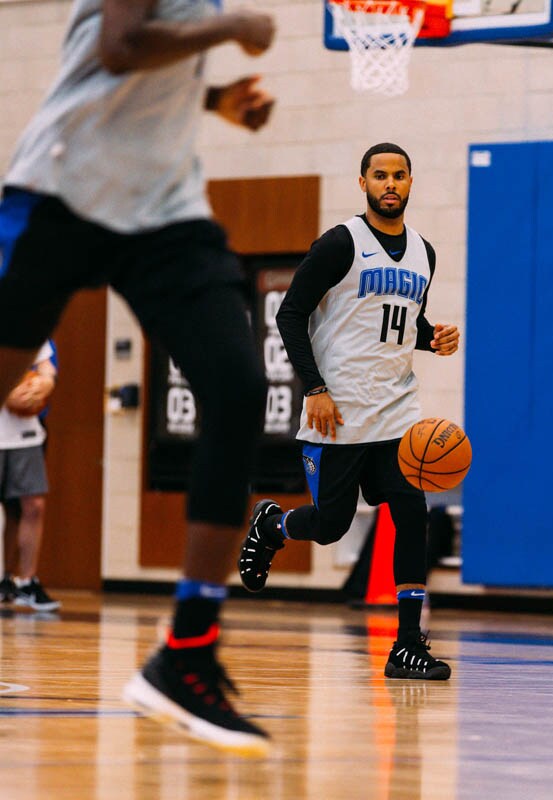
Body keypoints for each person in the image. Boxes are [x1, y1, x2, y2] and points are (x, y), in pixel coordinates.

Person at [0, 0, 278, 755]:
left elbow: (146, 74)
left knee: (238, 387)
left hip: (162, 211)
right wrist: (229, 32)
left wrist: (215, 98)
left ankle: (187, 653)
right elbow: (120, 49)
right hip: (64, 191)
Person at [238, 142, 460, 680]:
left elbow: (398, 324)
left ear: (411, 183)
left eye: (400, 175)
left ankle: (408, 643)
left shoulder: (424, 253)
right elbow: (290, 316)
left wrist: (434, 338)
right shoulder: (341, 244)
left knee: (413, 515)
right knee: (331, 526)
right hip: (336, 412)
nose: (390, 184)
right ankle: (273, 524)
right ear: (362, 183)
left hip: (397, 411)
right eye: (380, 175)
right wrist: (313, 388)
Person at [0, 341, 59, 611]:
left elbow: (47, 366)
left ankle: (25, 582)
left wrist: (45, 383)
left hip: (24, 432)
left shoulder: (25, 315)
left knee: (34, 504)